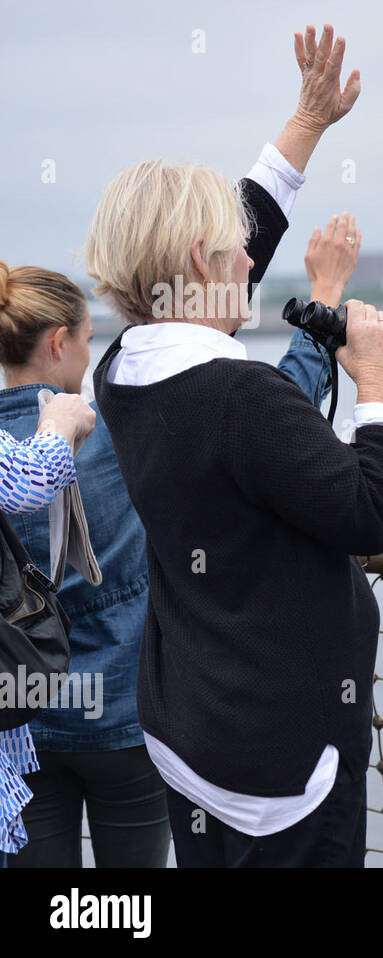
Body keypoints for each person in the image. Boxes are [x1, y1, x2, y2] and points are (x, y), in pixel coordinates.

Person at [85, 23, 383, 868]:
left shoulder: (122, 367)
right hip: (283, 767)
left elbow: (235, 244)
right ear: (203, 258)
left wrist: (306, 122)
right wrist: (375, 380)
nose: (251, 257)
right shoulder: (241, 397)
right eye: (236, 248)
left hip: (192, 729)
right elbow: (369, 513)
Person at [0, 212, 358, 868]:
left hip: (16, 722)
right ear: (58, 343)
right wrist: (324, 300)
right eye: (84, 338)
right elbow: (271, 415)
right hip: (122, 716)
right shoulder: (116, 428)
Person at [0, 370, 96, 867]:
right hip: (109, 714)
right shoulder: (112, 430)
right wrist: (61, 418)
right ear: (60, 342)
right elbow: (25, 483)